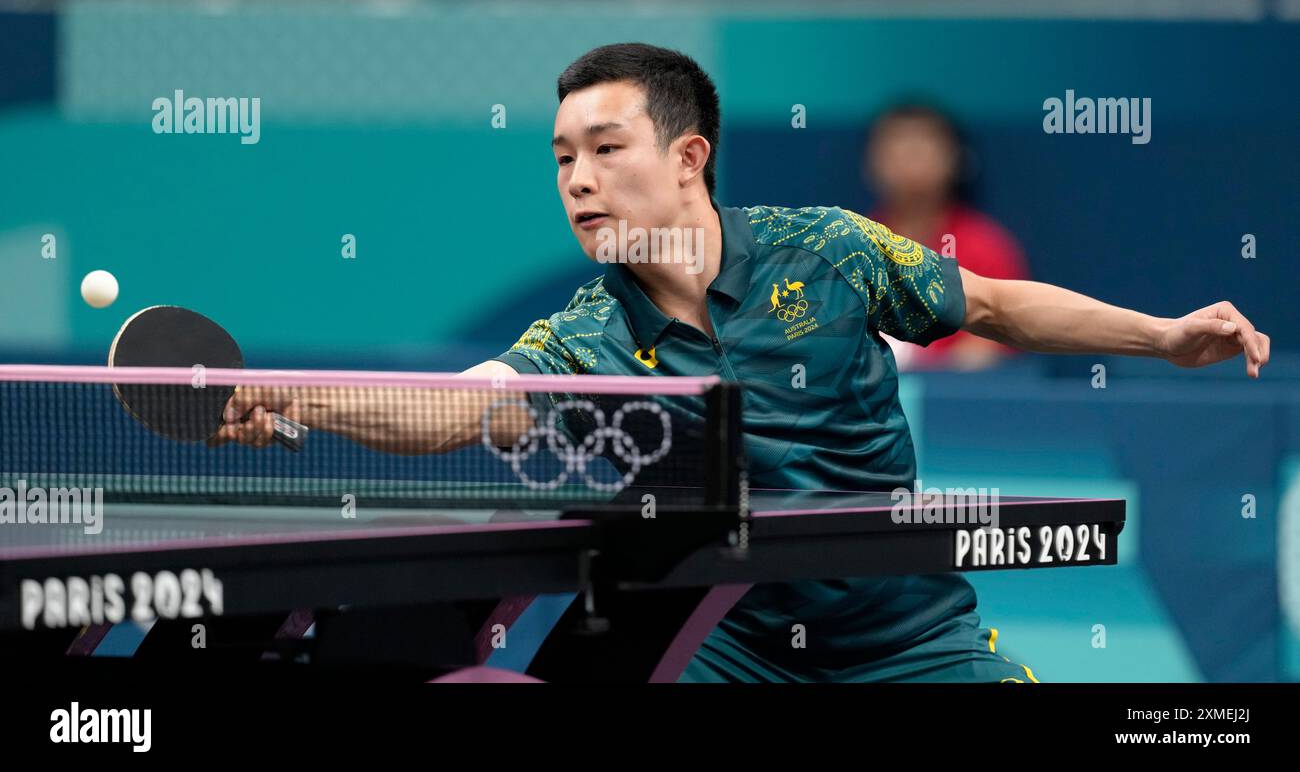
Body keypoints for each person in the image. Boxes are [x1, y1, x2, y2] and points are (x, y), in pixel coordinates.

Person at [221, 43, 1269, 682]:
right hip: (720, 649)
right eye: (559, 159)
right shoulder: (585, 335)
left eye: (603, 149)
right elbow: (462, 411)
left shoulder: (829, 250)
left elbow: (992, 302)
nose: (576, 181)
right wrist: (304, 400)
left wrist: (1166, 336)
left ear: (688, 157)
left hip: (907, 638)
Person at [864, 103, 1028, 371]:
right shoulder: (849, 243)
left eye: (923, 145)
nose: (910, 157)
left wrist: (921, 366)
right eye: (897, 145)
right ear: (873, 161)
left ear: (954, 159)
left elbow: (991, 346)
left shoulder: (987, 245)